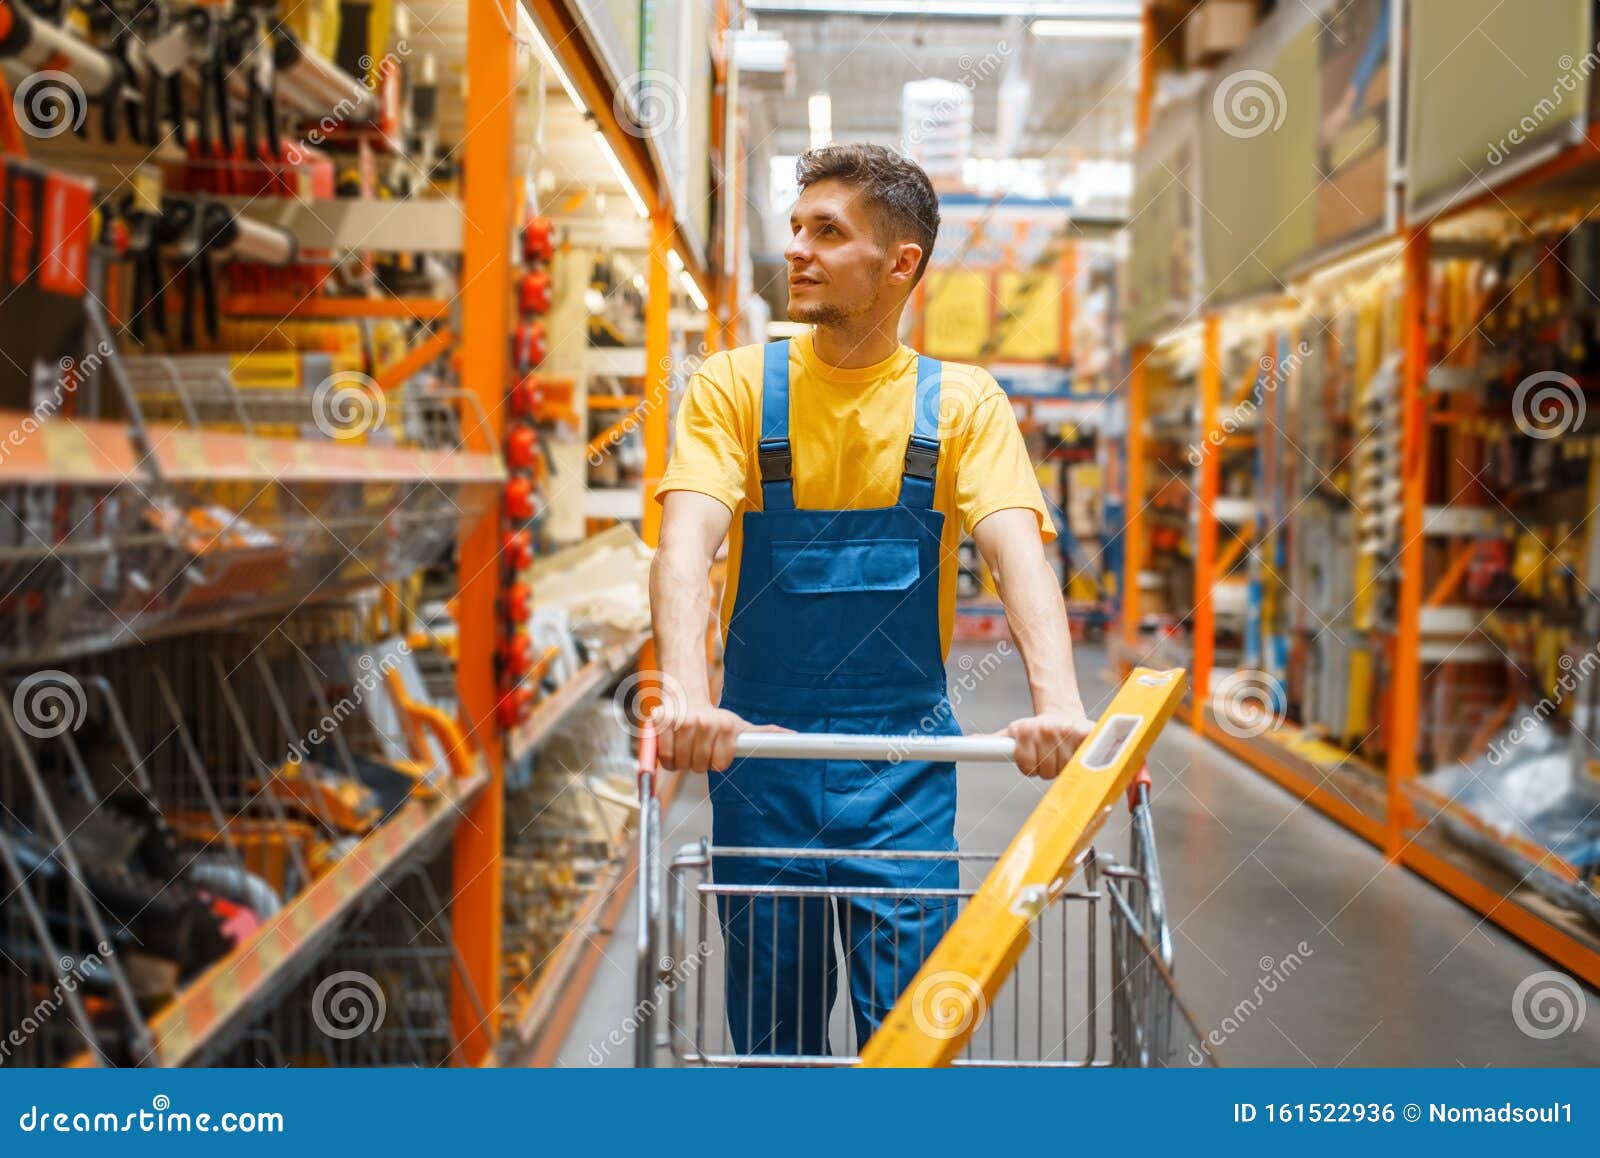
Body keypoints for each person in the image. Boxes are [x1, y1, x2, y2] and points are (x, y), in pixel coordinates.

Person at [649, 143, 1094, 1057]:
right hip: (761, 762)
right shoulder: (735, 388)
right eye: (796, 229)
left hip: (903, 772)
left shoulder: (962, 404)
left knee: (912, 1044)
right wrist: (686, 695)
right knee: (775, 1043)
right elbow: (687, 545)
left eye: (828, 232)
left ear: (901, 264)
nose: (798, 252)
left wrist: (1060, 706)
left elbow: (1018, 558)